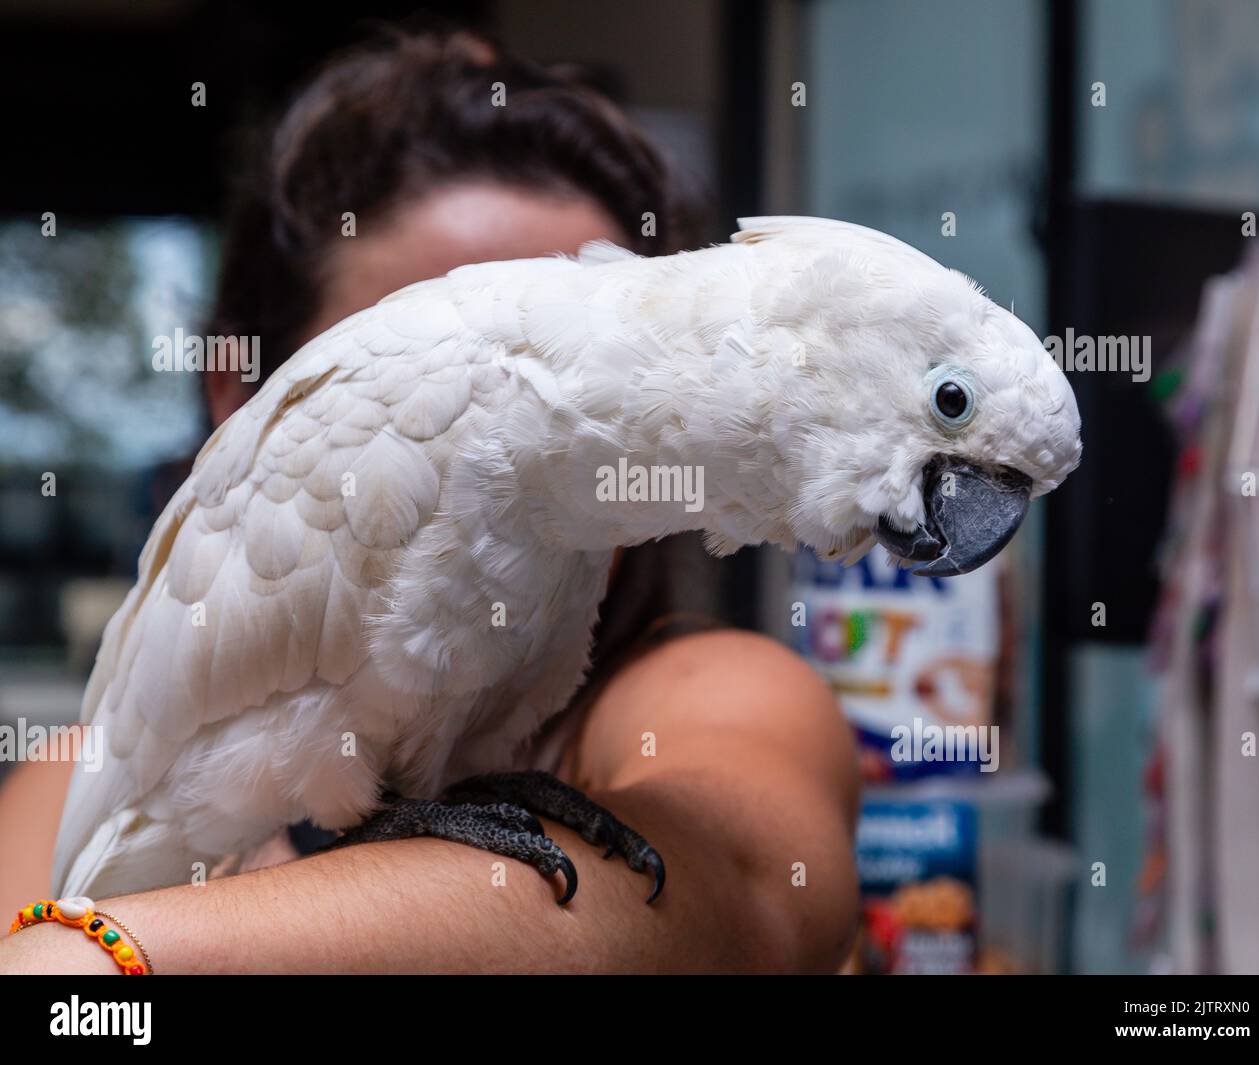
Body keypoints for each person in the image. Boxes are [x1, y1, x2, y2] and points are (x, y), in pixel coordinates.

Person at [0, 26, 858, 973]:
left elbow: (739, 896)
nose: (523, 415)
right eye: (445, 384)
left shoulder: (706, 692)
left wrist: (102, 958)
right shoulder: (110, 757)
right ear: (243, 406)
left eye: (578, 361)